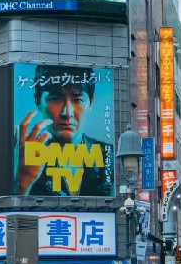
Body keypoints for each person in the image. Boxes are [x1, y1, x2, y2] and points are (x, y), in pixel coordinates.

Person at [14, 65, 114, 197]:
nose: (67, 112)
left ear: (91, 102)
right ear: (38, 100)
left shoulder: (109, 156)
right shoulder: (19, 156)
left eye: (78, 100)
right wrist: (22, 183)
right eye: (55, 99)